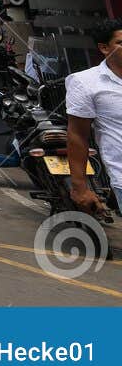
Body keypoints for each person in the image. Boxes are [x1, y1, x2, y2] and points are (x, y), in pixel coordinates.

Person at [66, 20, 122, 220]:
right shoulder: (85, 82)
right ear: (104, 48)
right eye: (121, 43)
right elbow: (77, 135)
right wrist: (80, 188)